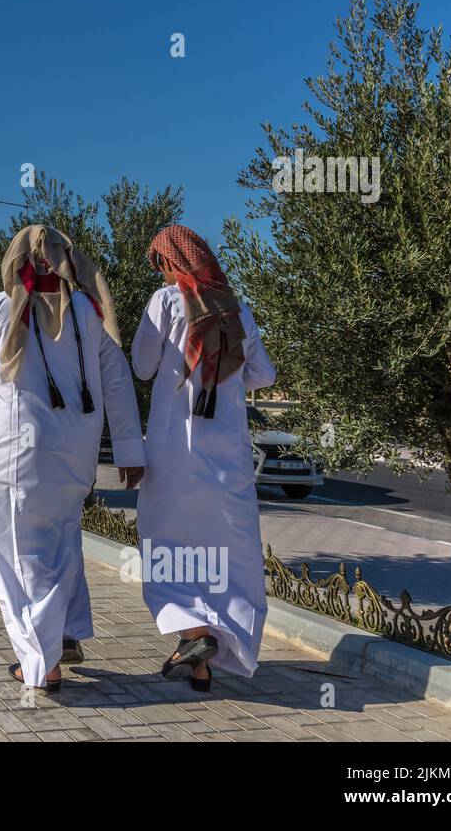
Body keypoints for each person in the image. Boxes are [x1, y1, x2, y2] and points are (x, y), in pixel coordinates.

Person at [0, 225, 145, 691]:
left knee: (21, 552)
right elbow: (117, 383)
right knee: (61, 541)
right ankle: (66, 633)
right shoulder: (88, 313)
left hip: (19, 455)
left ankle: (41, 663)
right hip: (77, 457)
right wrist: (131, 451)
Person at [130, 224, 276, 692]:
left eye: (159, 263)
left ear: (170, 263)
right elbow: (265, 375)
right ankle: (202, 664)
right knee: (225, 554)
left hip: (174, 456)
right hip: (227, 463)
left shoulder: (164, 302)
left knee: (168, 544)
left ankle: (193, 636)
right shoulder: (237, 309)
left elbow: (141, 366)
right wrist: (226, 381)